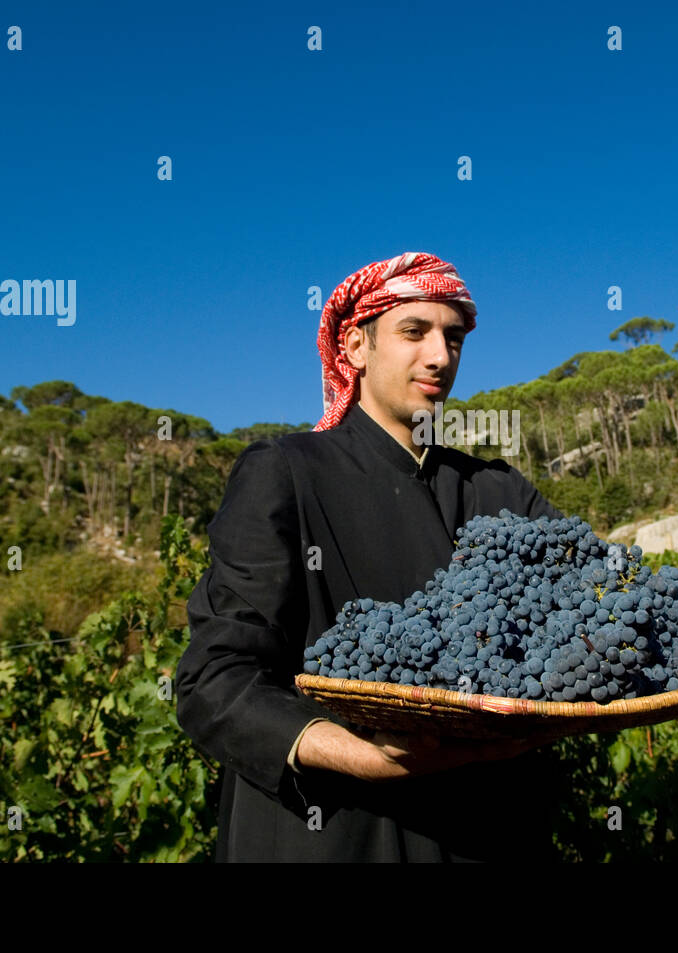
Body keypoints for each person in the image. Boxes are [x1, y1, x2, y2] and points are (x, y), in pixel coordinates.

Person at [176, 251, 566, 861]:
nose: (440, 356)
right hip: (334, 833)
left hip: (486, 830)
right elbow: (214, 679)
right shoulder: (286, 472)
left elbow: (603, 599)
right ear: (356, 346)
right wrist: (360, 754)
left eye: (453, 337)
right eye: (414, 332)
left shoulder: (500, 490)